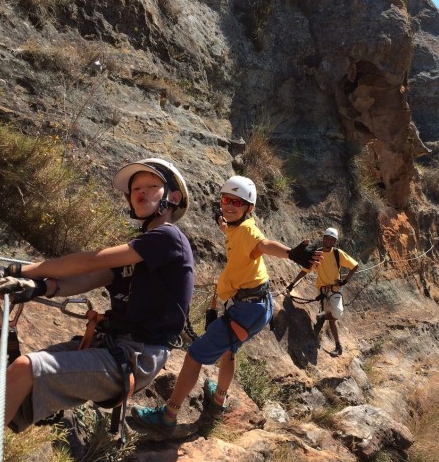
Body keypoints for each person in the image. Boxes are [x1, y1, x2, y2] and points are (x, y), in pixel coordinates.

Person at [0, 157, 194, 456]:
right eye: (135, 188)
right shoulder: (138, 250)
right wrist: (39, 287)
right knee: (1, 376)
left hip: (137, 355)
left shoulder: (168, 238)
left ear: (173, 198)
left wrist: (17, 271)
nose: (140, 192)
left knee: (23, 369)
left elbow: (92, 260)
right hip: (112, 346)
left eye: (152, 186)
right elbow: (87, 277)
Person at [130, 175, 321, 436]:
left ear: (249, 209)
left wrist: (291, 253)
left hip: (247, 308)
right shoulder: (234, 226)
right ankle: (218, 400)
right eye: (225, 200)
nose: (229, 206)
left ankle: (169, 415)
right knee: (229, 350)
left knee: (194, 354)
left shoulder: (247, 231)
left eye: (237, 202)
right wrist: (224, 224)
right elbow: (235, 233)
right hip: (258, 305)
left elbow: (262, 244)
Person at [286, 227, 358, 357]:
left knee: (337, 314)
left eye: (332, 239)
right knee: (333, 319)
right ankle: (338, 346)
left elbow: (355, 266)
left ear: (334, 241)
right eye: (327, 238)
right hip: (323, 291)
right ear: (324, 238)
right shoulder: (317, 254)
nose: (329, 241)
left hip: (335, 289)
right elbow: (305, 270)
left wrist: (345, 281)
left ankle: (323, 317)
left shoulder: (337, 253)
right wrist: (292, 284)